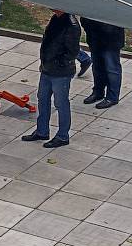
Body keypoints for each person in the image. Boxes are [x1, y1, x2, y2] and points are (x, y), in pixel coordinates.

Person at [23, 10, 81, 148]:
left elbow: (72, 51)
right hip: (47, 69)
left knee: (61, 103)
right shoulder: (56, 19)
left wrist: (58, 63)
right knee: (42, 99)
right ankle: (42, 131)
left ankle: (62, 136)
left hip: (60, 72)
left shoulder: (71, 25)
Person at [81, 16, 124, 108]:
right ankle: (98, 92)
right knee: (97, 67)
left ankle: (112, 97)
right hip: (94, 35)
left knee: (112, 69)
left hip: (111, 37)